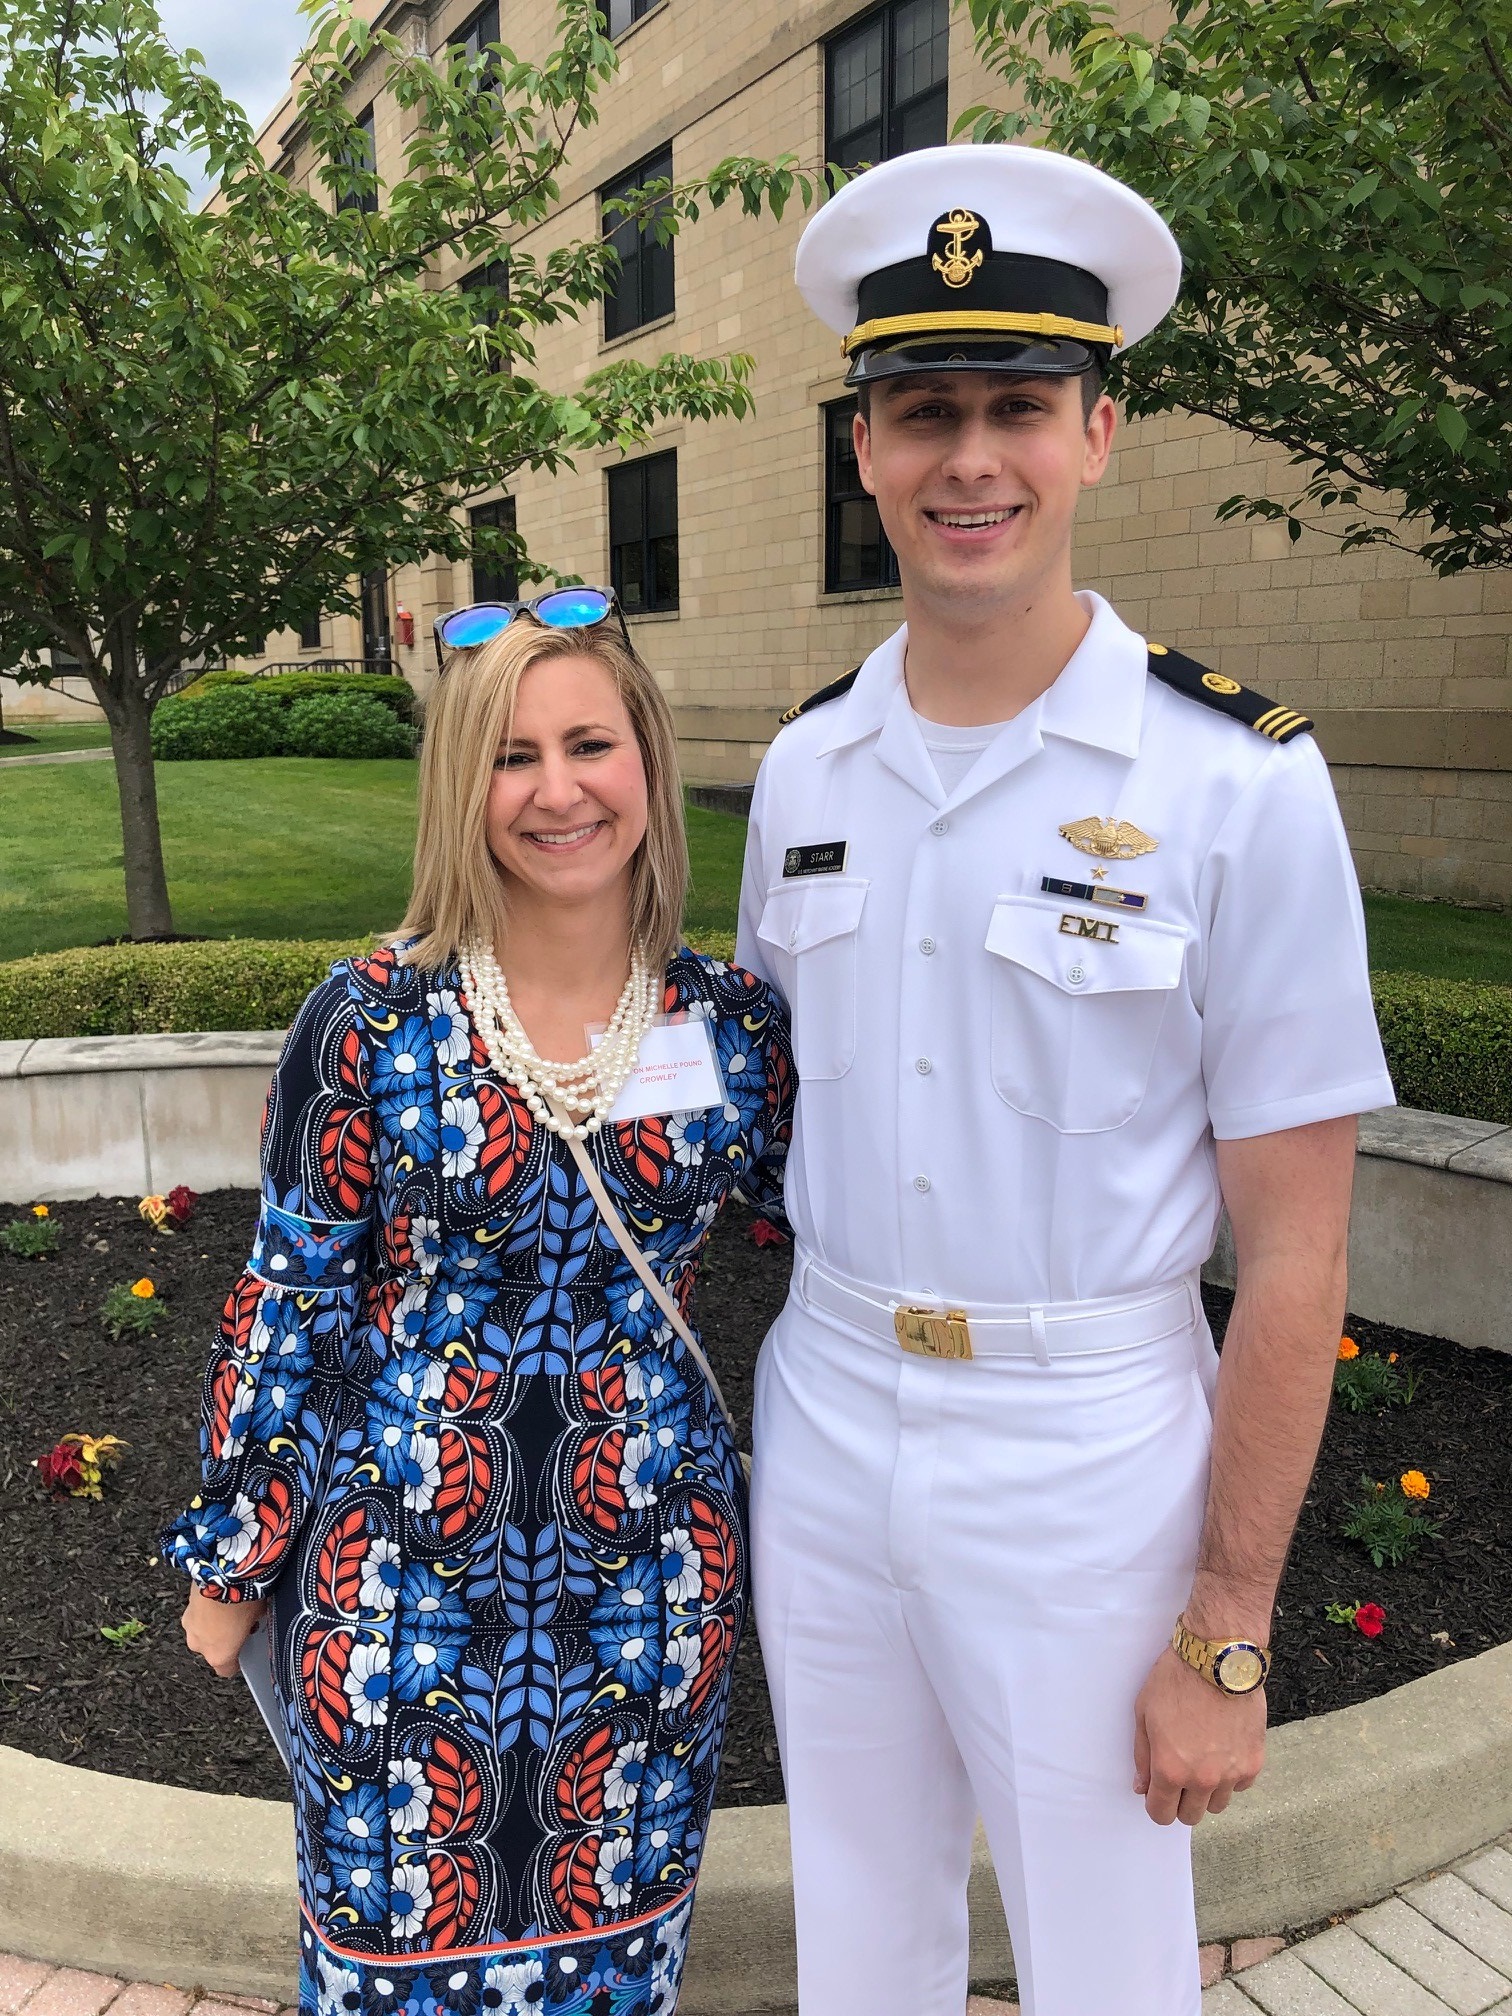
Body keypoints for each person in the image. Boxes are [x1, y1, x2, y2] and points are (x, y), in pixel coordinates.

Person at [735, 144, 1395, 2016]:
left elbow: (1297, 1256)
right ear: (860, 448)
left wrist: (1233, 1627)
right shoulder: (808, 773)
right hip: (836, 1410)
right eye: (921, 409)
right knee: (859, 1933)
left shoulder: (1239, 785)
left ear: (1101, 431)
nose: (970, 459)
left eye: (1018, 406)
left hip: (1091, 1454)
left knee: (1106, 1964)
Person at [164, 594, 793, 2016]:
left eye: (591, 743)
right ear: (462, 786)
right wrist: (234, 1558)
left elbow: (859, 1232)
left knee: (618, 1976)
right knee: (392, 1969)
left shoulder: (731, 1029)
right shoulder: (371, 1023)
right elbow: (293, 1300)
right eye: (513, 757)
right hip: (403, 1591)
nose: (559, 789)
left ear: (646, 757)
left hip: (648, 1592)